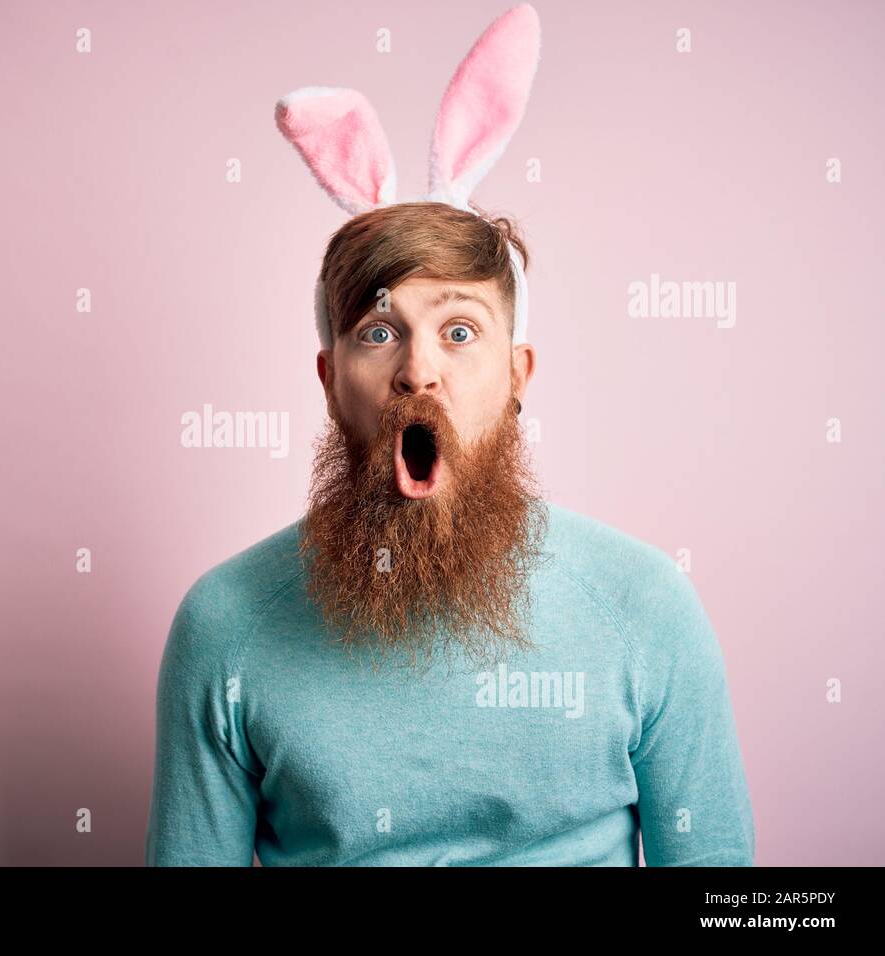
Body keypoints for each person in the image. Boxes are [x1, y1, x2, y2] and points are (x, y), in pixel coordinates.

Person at [145, 4, 754, 866]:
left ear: (518, 377)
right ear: (330, 384)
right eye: (380, 331)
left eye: (460, 332)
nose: (418, 371)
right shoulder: (226, 625)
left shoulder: (647, 609)